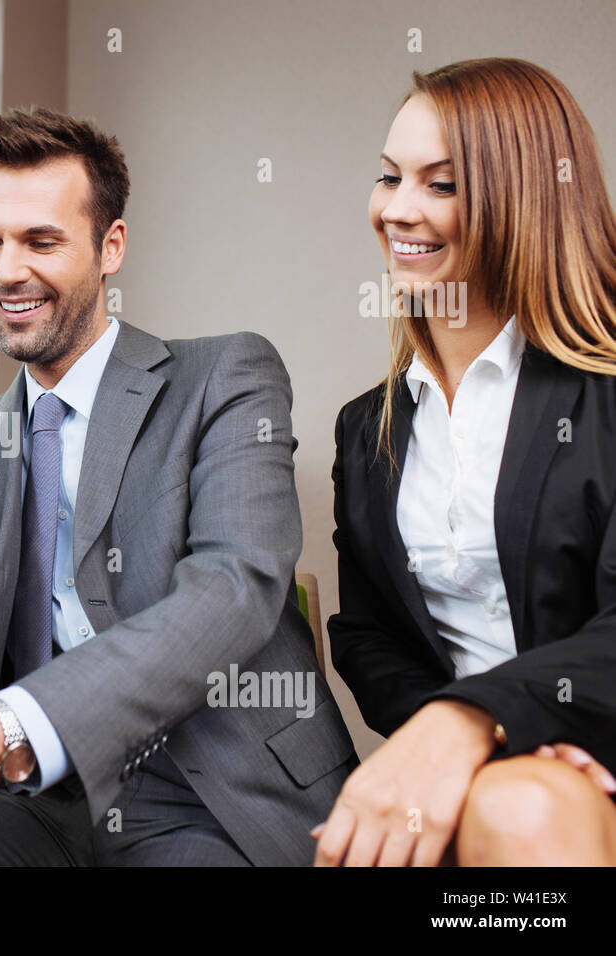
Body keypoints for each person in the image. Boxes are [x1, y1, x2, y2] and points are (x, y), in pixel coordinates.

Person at [0, 106, 357, 867]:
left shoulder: (224, 376)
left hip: (211, 795)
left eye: (42, 240)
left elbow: (234, 586)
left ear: (110, 246)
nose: (8, 270)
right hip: (30, 804)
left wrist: (14, 727)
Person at [321, 57, 616, 866]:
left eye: (441, 185)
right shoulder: (366, 429)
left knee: (520, 811)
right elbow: (367, 637)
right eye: (389, 177)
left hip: (595, 755)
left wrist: (486, 717)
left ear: (522, 197)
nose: (397, 210)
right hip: (464, 770)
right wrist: (456, 737)